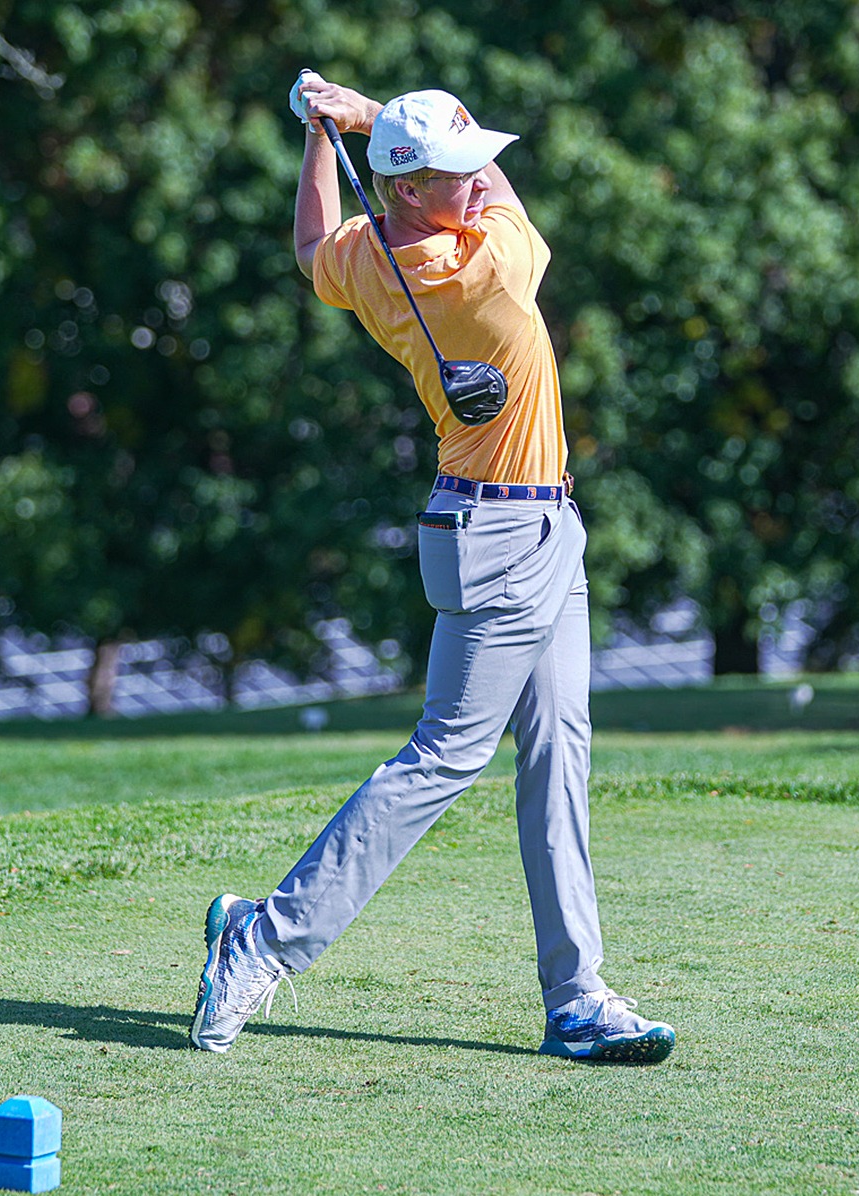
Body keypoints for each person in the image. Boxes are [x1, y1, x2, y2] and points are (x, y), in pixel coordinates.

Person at [186, 73, 675, 1064]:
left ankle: (575, 997)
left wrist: (322, 139)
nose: (472, 175)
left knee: (556, 757)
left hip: (531, 532)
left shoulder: (374, 261)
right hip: (508, 543)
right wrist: (363, 120)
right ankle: (261, 939)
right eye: (449, 168)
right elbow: (502, 196)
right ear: (409, 188)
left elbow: (311, 249)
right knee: (442, 758)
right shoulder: (488, 266)